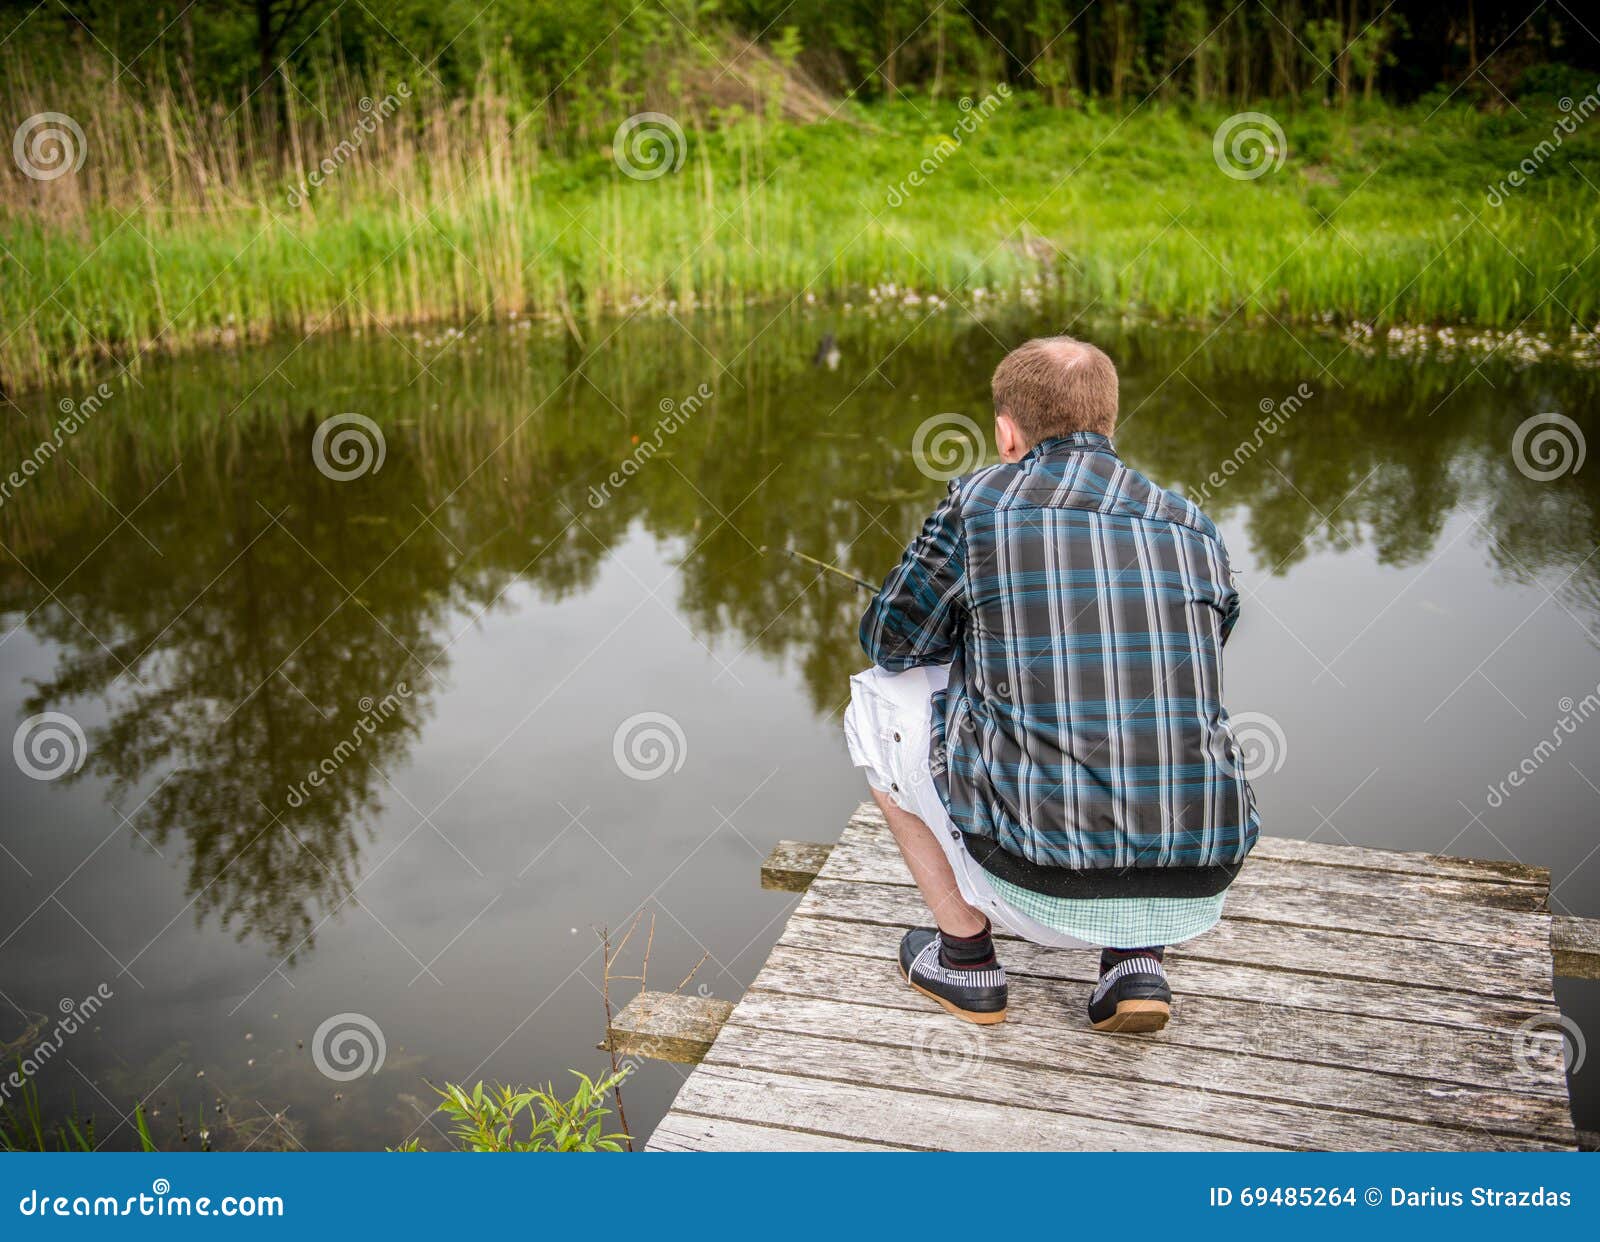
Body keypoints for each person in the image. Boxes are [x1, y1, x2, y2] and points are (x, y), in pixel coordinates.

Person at [845, 335, 1259, 1032]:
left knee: (875, 698)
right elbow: (1209, 642)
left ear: (1006, 434)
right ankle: (1135, 963)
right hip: (1200, 881)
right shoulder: (1193, 524)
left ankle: (966, 960)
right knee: (1146, 681)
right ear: (1109, 424)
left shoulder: (979, 503)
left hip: (1036, 879)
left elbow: (890, 643)